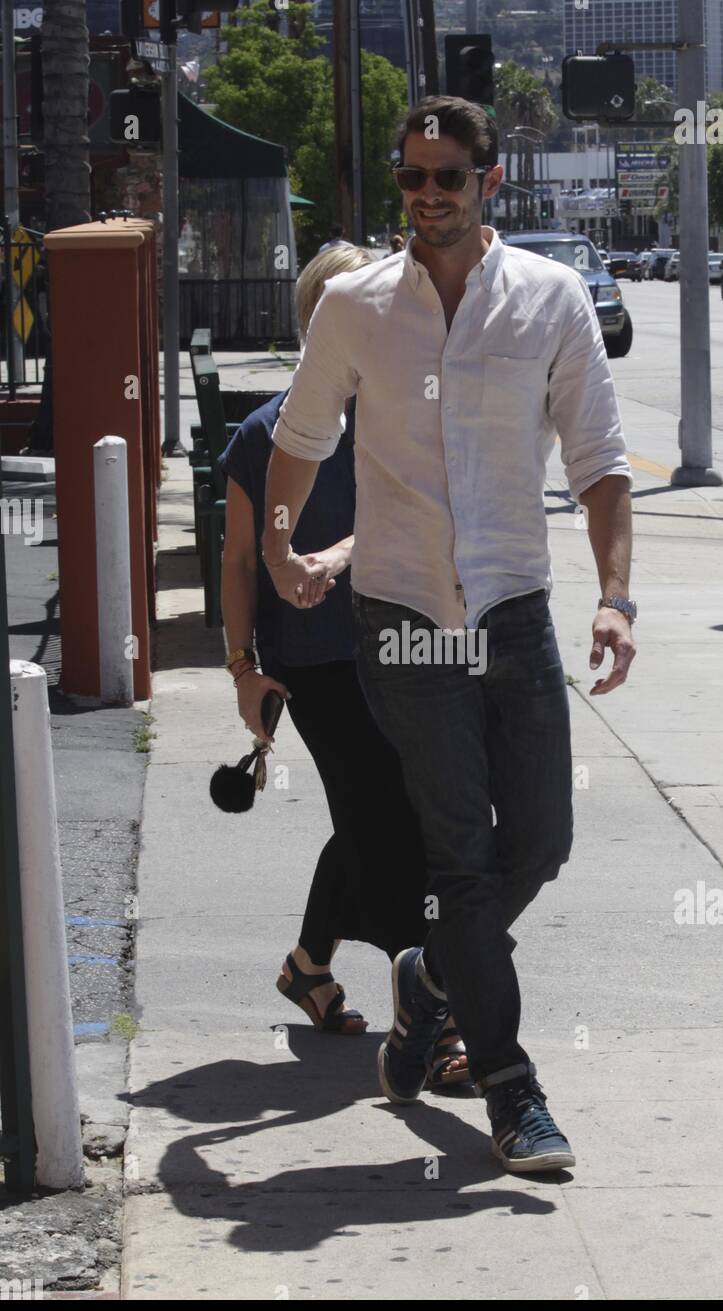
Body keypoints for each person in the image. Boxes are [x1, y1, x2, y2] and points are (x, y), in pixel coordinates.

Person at [263, 96, 635, 1173]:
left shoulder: (552, 299)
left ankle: (429, 976)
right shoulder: (358, 308)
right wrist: (287, 545)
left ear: (491, 182)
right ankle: (512, 1090)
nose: (429, 194)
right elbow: (297, 438)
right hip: (402, 615)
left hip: (513, 612)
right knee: (463, 858)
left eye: (450, 177)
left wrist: (615, 596)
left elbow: (601, 461)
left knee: (543, 840)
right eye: (414, 177)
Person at [218, 243, 468, 1083]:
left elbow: (427, 523)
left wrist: (341, 554)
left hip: (405, 647)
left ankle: (307, 966)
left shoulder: (399, 419)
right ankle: (435, 1024)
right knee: (389, 831)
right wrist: (241, 668)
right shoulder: (262, 434)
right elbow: (240, 561)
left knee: (377, 817)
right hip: (318, 668)